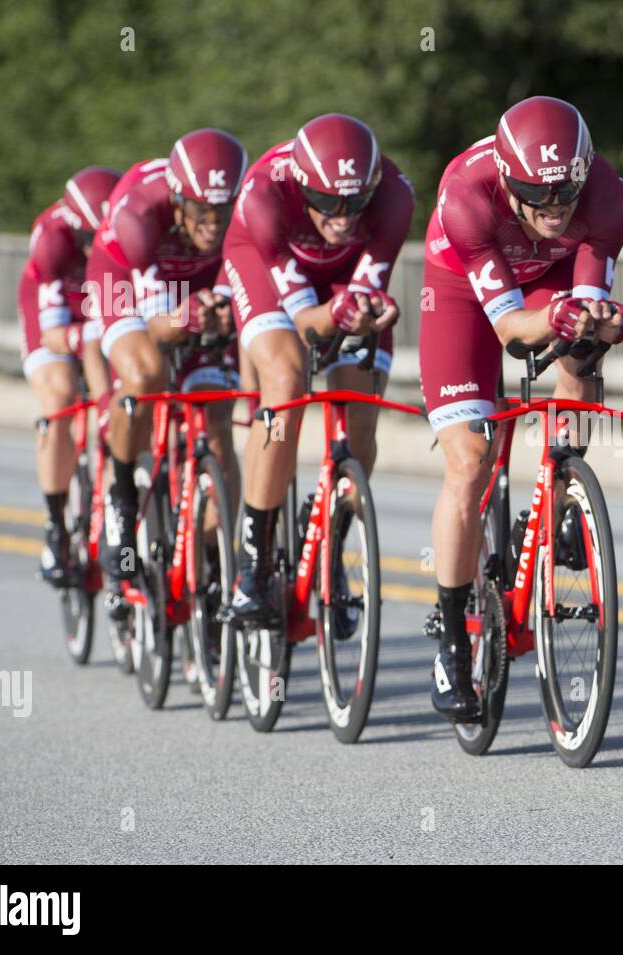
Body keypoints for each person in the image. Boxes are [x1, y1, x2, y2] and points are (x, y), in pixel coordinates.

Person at [419, 95, 623, 720]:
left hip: (549, 274)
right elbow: (513, 329)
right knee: (469, 459)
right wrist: (553, 316)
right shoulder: (466, 193)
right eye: (534, 196)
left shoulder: (606, 197)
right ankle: (453, 638)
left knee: (583, 345)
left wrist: (592, 322)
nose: (550, 208)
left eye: (563, 196)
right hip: (465, 286)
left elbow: (585, 309)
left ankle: (563, 488)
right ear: (507, 182)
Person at [222, 113, 414, 627]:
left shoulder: (395, 195)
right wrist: (341, 313)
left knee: (361, 418)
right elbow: (308, 322)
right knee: (285, 383)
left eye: (356, 203)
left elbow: (365, 291)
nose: (344, 216)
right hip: (268, 268)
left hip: (343, 280)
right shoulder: (265, 195)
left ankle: (331, 536)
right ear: (303, 187)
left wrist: (368, 309)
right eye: (329, 203)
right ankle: (254, 563)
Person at [87, 128, 247, 580]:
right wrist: (189, 317)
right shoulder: (138, 214)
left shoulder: (242, 209)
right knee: (145, 372)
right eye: (201, 210)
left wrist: (217, 311)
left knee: (218, 419)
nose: (214, 223)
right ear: (178, 201)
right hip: (124, 273)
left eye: (223, 210)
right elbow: (160, 327)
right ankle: (121, 497)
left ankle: (217, 554)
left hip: (196, 278)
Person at [19, 165, 121, 584]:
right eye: (88, 241)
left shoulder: (123, 231)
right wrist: (87, 337)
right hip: (59, 317)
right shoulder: (53, 240)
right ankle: (55, 523)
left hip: (102, 303)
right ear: (74, 228)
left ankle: (118, 506)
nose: (94, 248)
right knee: (59, 395)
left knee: (125, 402)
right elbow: (54, 334)